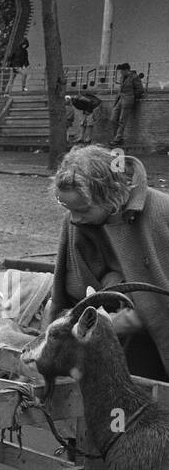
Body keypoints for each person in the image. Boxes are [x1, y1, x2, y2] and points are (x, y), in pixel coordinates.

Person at [48, 145, 169, 380]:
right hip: (111, 342)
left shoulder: (161, 213)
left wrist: (132, 313)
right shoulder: (75, 222)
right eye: (68, 209)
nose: (74, 219)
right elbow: (71, 290)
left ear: (109, 196)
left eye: (82, 210)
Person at [112, 63, 144, 147]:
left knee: (122, 120)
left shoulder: (134, 77)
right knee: (113, 118)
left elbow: (140, 89)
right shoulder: (122, 77)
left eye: (122, 71)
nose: (120, 72)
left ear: (127, 70)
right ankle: (119, 138)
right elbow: (120, 89)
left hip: (128, 100)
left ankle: (117, 139)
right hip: (120, 99)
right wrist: (116, 100)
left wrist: (132, 97)